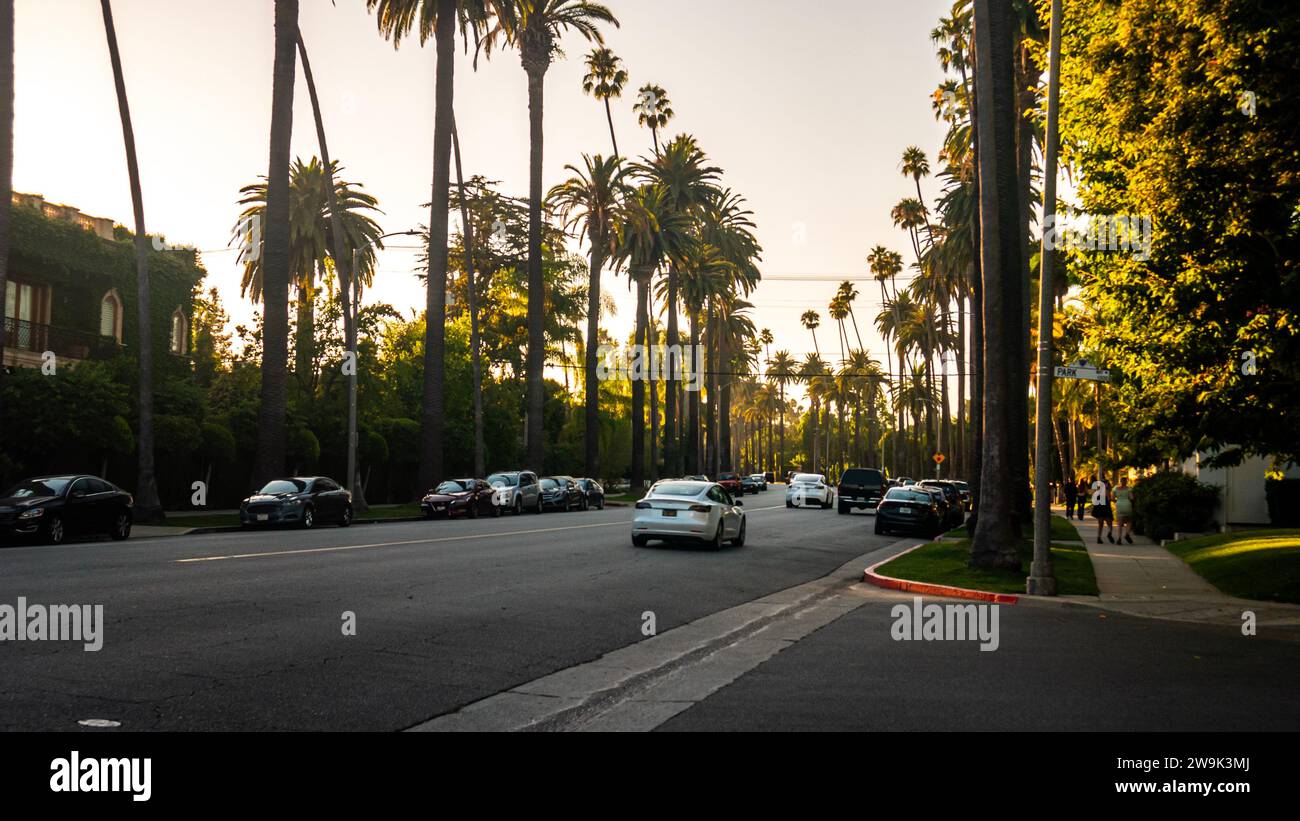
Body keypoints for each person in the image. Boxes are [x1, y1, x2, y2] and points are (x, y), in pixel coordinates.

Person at [1090, 474, 1114, 543]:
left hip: (1099, 506)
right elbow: (1109, 498)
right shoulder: (1107, 490)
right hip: (1106, 506)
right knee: (1109, 522)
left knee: (1100, 523)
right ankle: (1109, 532)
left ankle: (1099, 537)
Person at [1113, 475, 1135, 544]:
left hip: (1119, 505)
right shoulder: (1129, 489)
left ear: (1120, 481)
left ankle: (1119, 539)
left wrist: (1117, 501)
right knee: (1129, 521)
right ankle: (1127, 534)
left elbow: (1113, 498)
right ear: (1126, 482)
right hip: (1127, 505)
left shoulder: (1116, 488)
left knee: (1119, 524)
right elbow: (1132, 498)